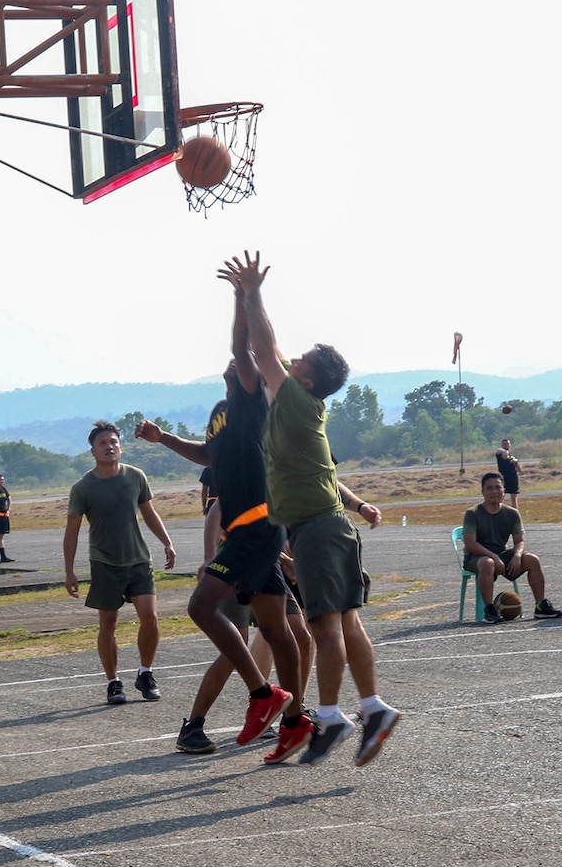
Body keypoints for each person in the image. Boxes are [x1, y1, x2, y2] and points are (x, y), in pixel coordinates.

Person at [223, 250, 402, 767]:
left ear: (303, 380)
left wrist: (253, 293)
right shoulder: (303, 408)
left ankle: (329, 717)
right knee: (347, 623)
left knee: (324, 628)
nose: (290, 360)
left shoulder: (296, 402)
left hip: (319, 531)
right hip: (329, 526)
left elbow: (262, 346)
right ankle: (373, 708)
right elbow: (260, 351)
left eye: (298, 361)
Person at [135, 355, 308, 763]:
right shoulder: (222, 411)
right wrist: (165, 439)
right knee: (278, 631)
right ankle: (296, 721)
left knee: (201, 606)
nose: (237, 359)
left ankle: (263, 696)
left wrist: (243, 293)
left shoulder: (256, 405)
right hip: (251, 533)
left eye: (247, 359)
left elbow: (246, 343)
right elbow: (209, 453)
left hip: (256, 527)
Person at [64, 421, 177, 706]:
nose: (109, 447)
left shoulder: (135, 477)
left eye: (113, 442)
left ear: (120, 446)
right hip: (105, 563)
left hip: (138, 560)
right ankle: (113, 682)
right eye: (103, 443)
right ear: (93, 451)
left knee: (150, 617)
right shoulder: (83, 487)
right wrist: (69, 570)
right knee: (108, 623)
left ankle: (145, 673)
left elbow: (149, 513)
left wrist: (167, 541)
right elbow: (72, 531)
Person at [463, 472, 562, 623]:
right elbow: (471, 544)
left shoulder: (512, 513)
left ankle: (541, 606)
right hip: (476, 557)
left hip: (501, 555)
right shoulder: (473, 513)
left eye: (498, 487)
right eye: (489, 488)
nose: (494, 491)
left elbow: (520, 541)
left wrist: (517, 556)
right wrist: (495, 557)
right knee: (487, 563)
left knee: (532, 559)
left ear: (504, 490)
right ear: (482, 492)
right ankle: (490, 609)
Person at [495, 439, 522, 508]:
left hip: (513, 477)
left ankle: (515, 512)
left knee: (514, 496)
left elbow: (520, 470)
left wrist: (516, 462)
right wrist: (505, 452)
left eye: (507, 444)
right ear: (502, 445)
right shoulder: (500, 453)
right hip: (503, 477)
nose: (506, 445)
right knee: (501, 495)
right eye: (505, 444)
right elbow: (498, 451)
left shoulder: (512, 457)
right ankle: (497, 510)